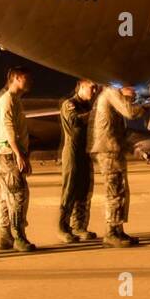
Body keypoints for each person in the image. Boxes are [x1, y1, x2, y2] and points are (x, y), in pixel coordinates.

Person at [89, 79, 150, 247]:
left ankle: (117, 230)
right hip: (109, 151)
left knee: (120, 190)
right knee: (114, 191)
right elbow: (130, 112)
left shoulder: (112, 94)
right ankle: (111, 233)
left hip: (114, 149)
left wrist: (131, 148)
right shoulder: (111, 92)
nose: (133, 91)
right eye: (129, 87)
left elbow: (119, 126)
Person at [0, 66, 35, 252]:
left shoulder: (14, 100)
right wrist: (19, 155)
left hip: (6, 153)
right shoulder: (8, 100)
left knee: (6, 195)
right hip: (8, 153)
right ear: (17, 78)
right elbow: (10, 130)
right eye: (26, 77)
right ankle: (19, 237)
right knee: (19, 195)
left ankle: (5, 235)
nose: (30, 81)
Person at [58, 78, 98, 243]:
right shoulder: (70, 104)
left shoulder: (88, 106)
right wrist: (95, 113)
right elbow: (75, 121)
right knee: (70, 190)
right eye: (92, 88)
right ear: (81, 86)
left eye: (96, 89)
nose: (94, 92)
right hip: (72, 152)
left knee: (85, 190)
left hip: (85, 151)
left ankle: (79, 226)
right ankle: (63, 228)